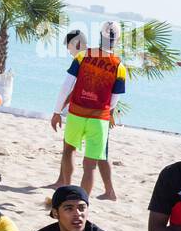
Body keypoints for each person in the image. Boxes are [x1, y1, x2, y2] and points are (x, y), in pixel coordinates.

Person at [50, 23, 125, 200]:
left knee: (68, 151)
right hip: (99, 119)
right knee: (90, 165)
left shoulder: (83, 56)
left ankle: (66, 192)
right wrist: (107, 111)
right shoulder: (119, 66)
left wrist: (56, 112)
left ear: (100, 35)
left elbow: (66, 86)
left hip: (76, 114)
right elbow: (114, 99)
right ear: (117, 39)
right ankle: (83, 202)